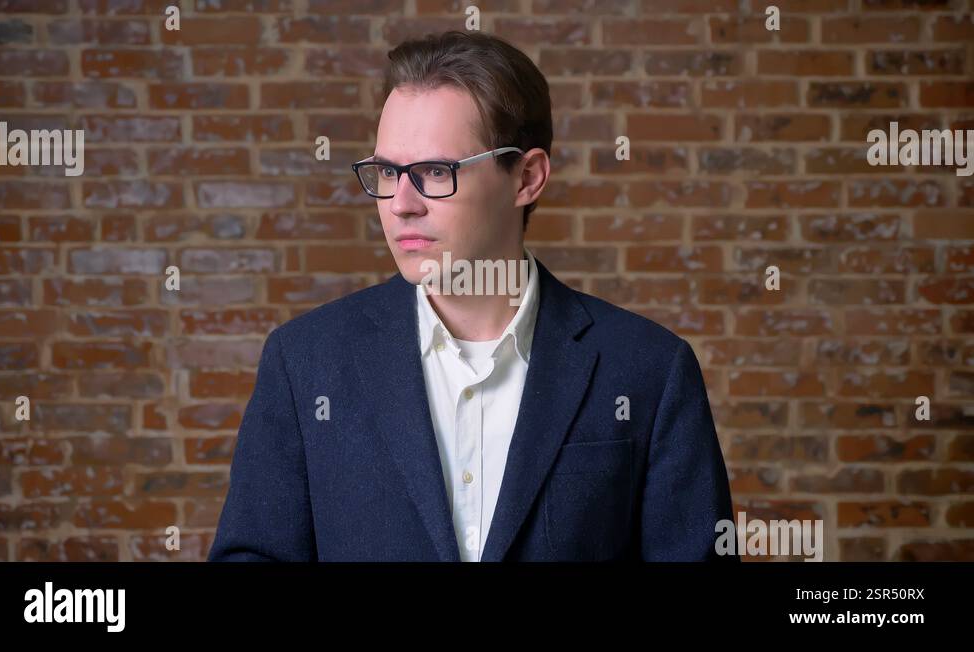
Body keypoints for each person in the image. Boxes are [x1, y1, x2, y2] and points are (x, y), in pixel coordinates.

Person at [208, 30, 734, 562]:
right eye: (388, 172)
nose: (400, 204)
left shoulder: (649, 369)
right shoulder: (304, 364)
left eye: (435, 172)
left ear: (526, 178)